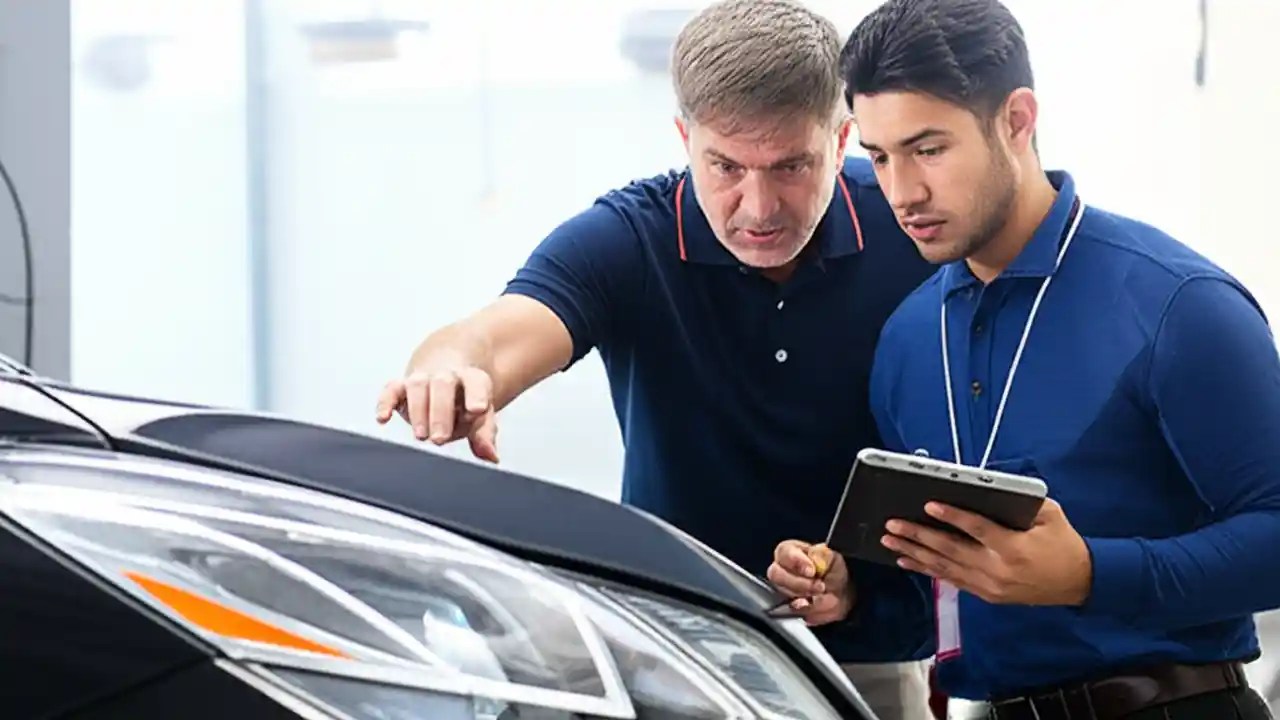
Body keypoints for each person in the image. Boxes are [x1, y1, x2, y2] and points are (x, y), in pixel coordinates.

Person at [373, 1, 940, 716]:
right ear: (684, 139)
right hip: (671, 647)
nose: (758, 207)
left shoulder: (913, 227)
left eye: (791, 166)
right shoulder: (632, 236)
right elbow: (493, 335)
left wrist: (853, 590)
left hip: (867, 649)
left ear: (841, 138)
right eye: (725, 166)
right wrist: (451, 369)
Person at [767, 0, 1280, 717]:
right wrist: (848, 594)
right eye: (880, 157)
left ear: (1017, 120)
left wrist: (1090, 574)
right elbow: (940, 603)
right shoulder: (908, 341)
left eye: (928, 149)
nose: (902, 192)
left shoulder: (1179, 304)